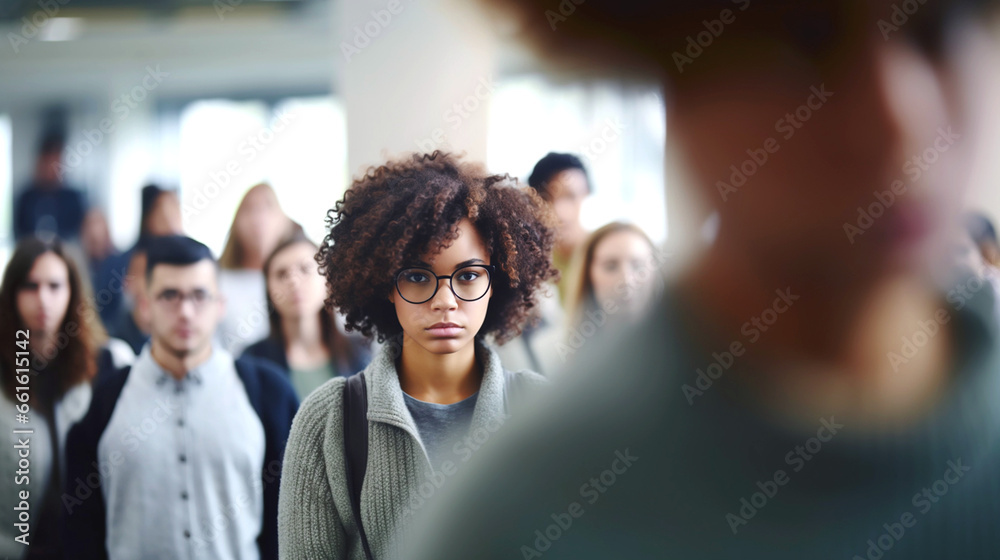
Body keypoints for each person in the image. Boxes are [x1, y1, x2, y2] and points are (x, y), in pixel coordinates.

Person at [407, 2, 1000, 559]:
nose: (900, 126)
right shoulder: (518, 518)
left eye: (935, 29)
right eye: (805, 38)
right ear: (670, 65)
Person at [277, 151, 558, 559]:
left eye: (468, 275)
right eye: (416, 276)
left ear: (497, 282)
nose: (445, 300)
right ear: (384, 285)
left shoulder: (540, 410)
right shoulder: (330, 419)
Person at [64, 235, 299, 560]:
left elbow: (292, 521)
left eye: (199, 295)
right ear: (145, 305)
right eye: (169, 295)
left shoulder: (269, 394)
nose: (186, 312)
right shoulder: (105, 399)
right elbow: (81, 530)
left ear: (221, 305)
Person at [0, 238, 110, 559]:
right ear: (12, 294)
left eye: (54, 286)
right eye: (30, 286)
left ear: (73, 293)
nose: (43, 299)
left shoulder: (108, 365)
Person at [243, 234, 372, 400]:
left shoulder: (361, 352)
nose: (294, 282)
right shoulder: (251, 361)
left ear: (328, 282)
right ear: (268, 289)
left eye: (305, 269)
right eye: (282, 274)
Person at [217, 183, 302, 355]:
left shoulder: (302, 280)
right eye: (249, 209)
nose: (258, 217)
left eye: (267, 207)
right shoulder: (218, 281)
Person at [564, 222, 662, 329]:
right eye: (611, 267)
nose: (627, 280)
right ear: (588, 275)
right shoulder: (555, 344)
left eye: (638, 266)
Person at [527, 152, 592, 304]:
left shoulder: (606, 254)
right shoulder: (528, 260)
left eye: (570, 196)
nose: (559, 211)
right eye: (546, 198)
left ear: (586, 194)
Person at [13, 131, 87, 242]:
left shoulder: (73, 198)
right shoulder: (26, 198)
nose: (52, 169)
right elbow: (19, 234)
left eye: (57, 162)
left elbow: (78, 235)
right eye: (49, 162)